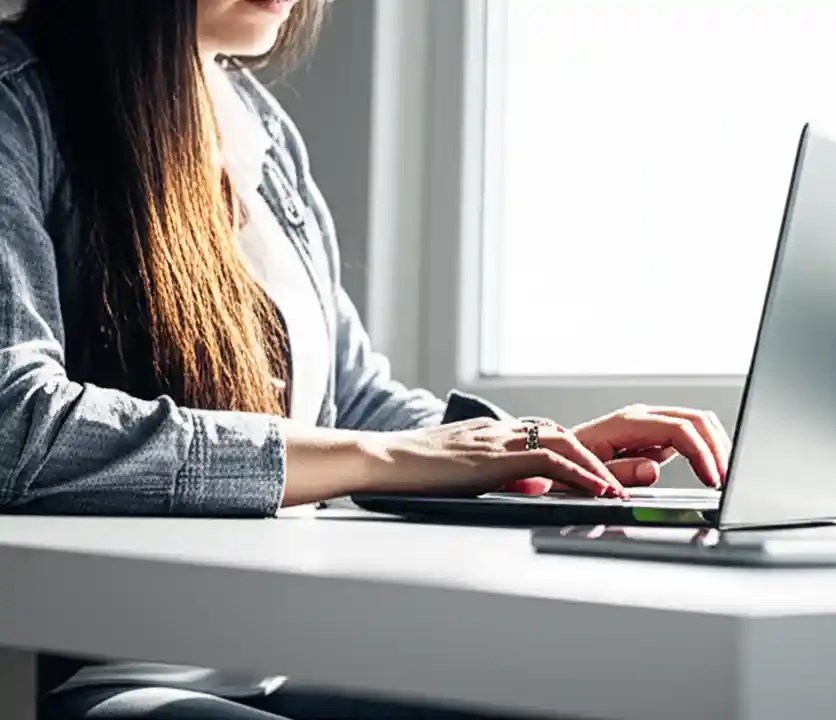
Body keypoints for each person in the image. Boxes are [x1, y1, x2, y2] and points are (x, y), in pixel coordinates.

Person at [0, 0, 731, 717]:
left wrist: (538, 451)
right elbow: (17, 424)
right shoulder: (18, 104)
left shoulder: (261, 131)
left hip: (286, 662)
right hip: (99, 677)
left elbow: (356, 402)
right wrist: (382, 457)